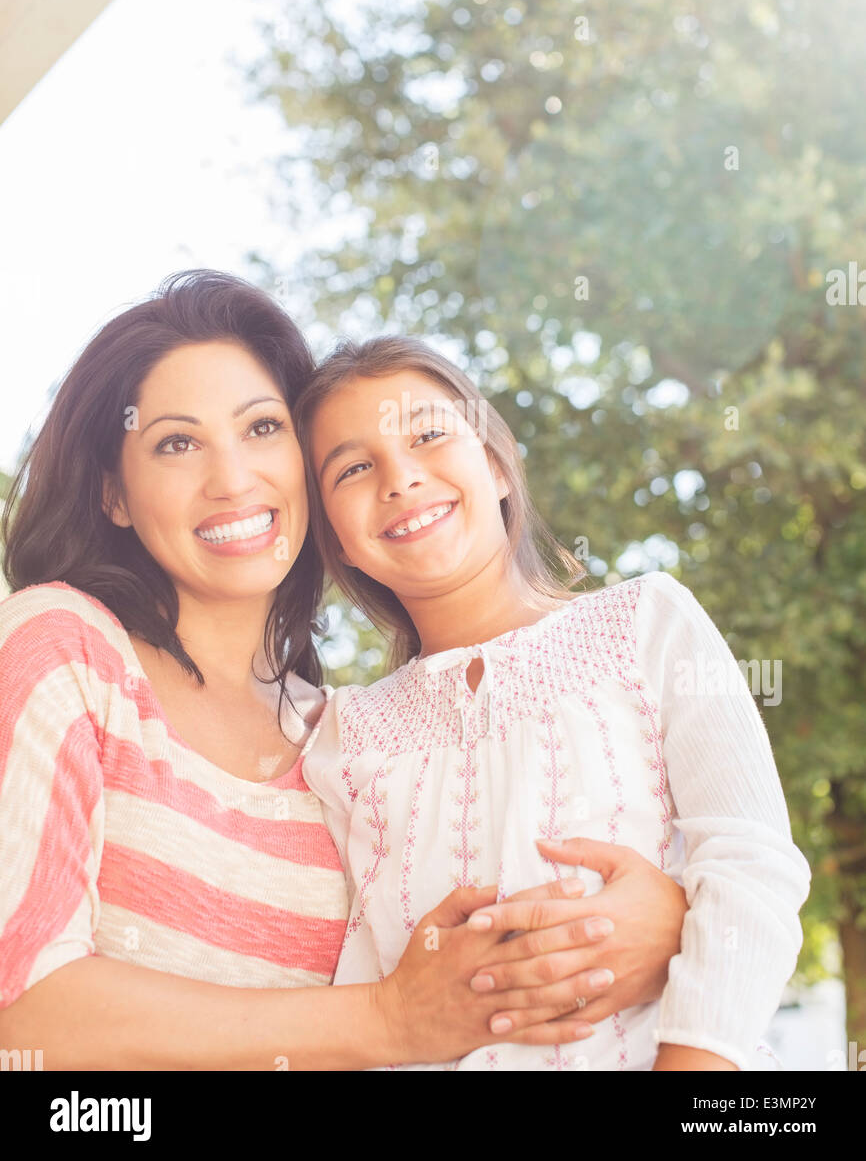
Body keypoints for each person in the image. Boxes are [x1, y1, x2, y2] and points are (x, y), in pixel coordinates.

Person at [0, 270, 687, 1070]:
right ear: (114, 494)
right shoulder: (64, 645)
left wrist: (669, 918)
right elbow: (24, 1008)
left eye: (262, 428)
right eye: (176, 443)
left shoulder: (348, 740)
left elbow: (477, 907)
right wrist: (385, 1021)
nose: (232, 480)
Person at [295, 333, 813, 1071]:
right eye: (352, 468)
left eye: (429, 434)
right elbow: (359, 975)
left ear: (498, 465)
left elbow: (750, 865)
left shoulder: (645, 623)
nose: (400, 478)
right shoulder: (344, 737)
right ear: (335, 541)